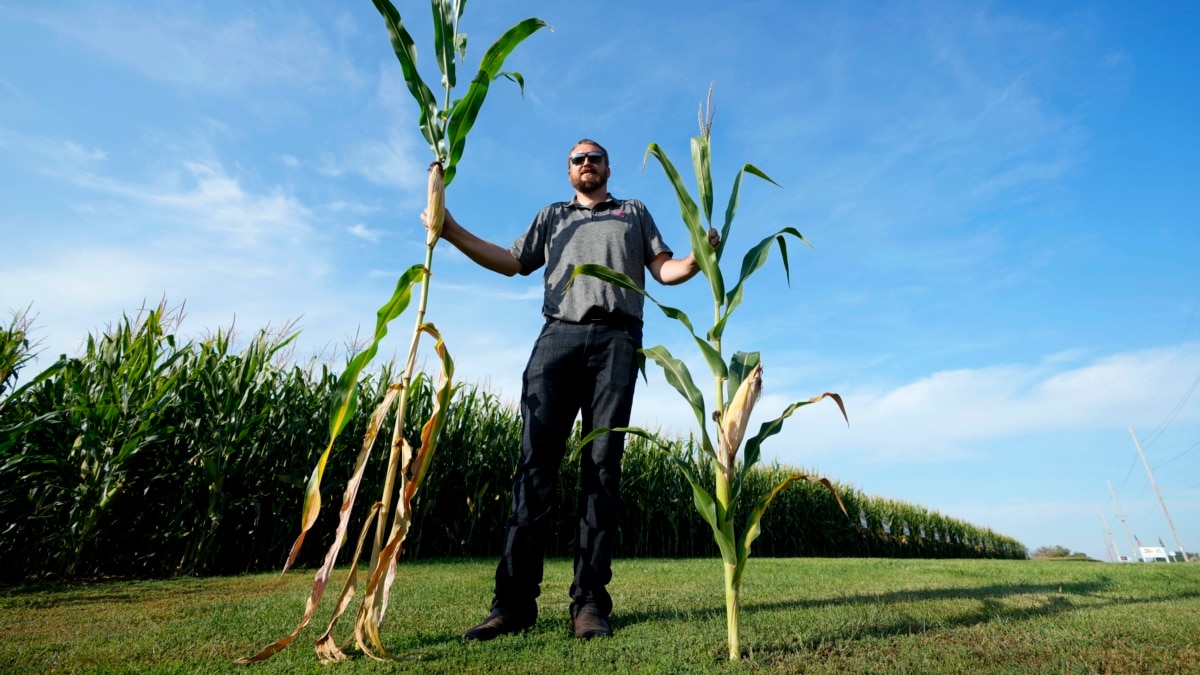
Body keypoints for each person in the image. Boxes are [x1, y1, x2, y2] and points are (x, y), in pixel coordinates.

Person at [423, 139, 718, 641]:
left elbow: (665, 271)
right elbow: (512, 261)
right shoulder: (553, 217)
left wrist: (699, 257)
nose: (586, 164)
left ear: (607, 167)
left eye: (594, 158)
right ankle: (512, 606)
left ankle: (589, 606)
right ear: (568, 171)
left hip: (618, 340)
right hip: (557, 336)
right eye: (577, 159)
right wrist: (448, 230)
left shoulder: (634, 212)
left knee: (602, 469)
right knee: (534, 469)